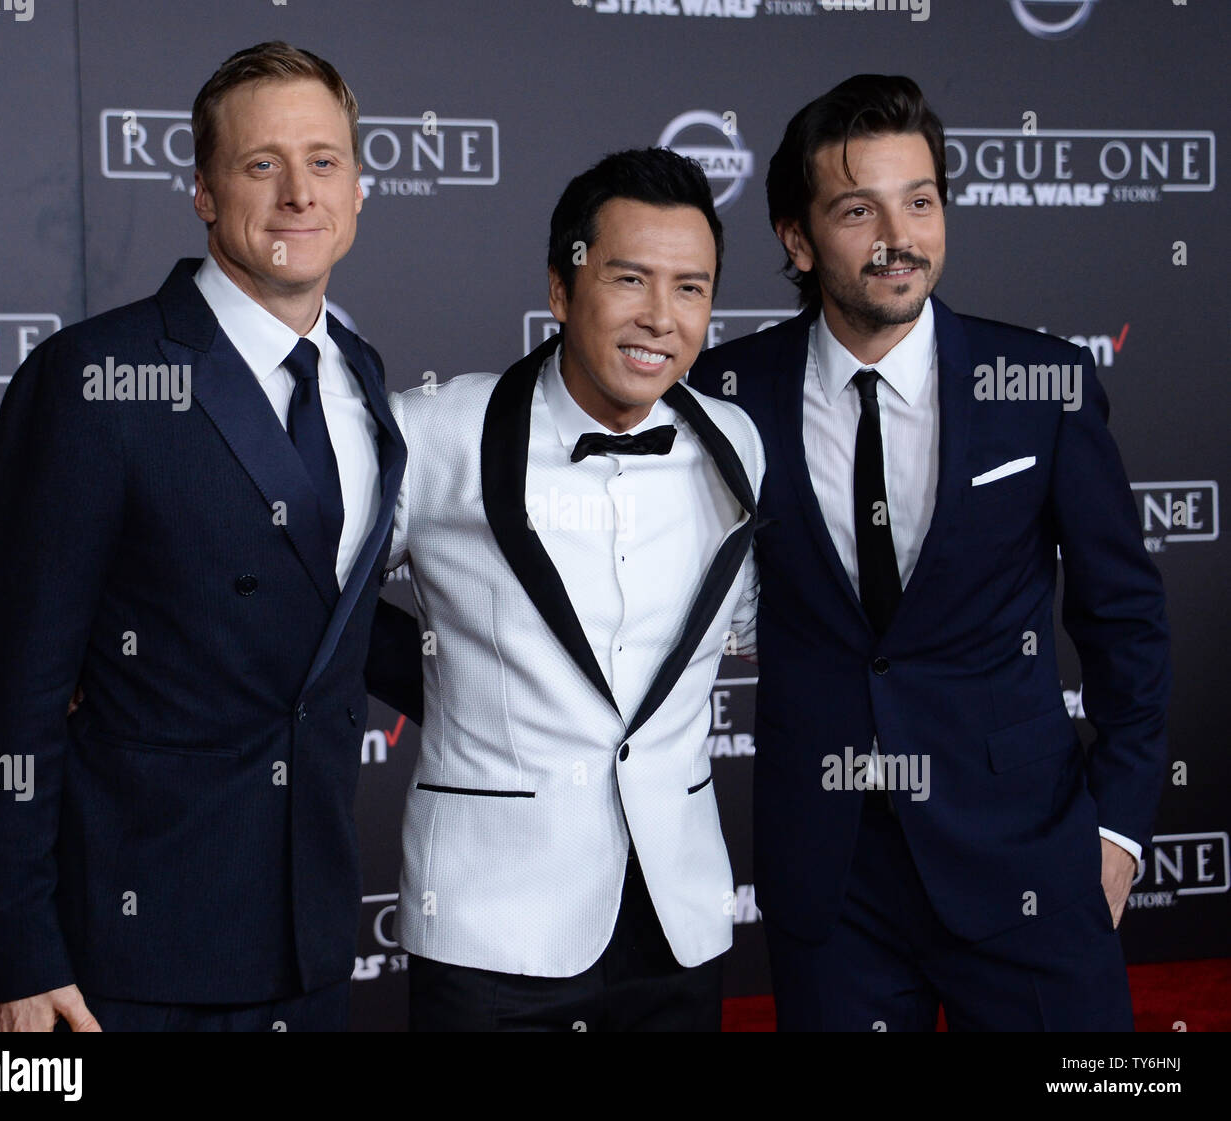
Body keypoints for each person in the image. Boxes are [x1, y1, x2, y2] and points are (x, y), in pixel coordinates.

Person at [691, 74, 1171, 1031]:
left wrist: (1116, 829)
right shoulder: (725, 392)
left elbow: (1126, 620)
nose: (897, 237)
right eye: (858, 209)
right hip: (831, 882)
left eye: (920, 201)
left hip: (1029, 858)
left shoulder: (1042, 384)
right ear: (796, 237)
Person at [0, 41, 416, 1032]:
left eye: (324, 161)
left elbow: (319, 609)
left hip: (313, 934)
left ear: (360, 187)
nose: (299, 192)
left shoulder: (360, 371)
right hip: (120, 956)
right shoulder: (94, 379)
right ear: (203, 192)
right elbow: (13, 691)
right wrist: (15, 954)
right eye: (262, 165)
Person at [384, 148, 763, 1031]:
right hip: (490, 927)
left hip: (676, 921)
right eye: (630, 278)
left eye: (691, 288)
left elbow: (742, 624)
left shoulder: (737, 445)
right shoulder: (437, 430)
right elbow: (311, 597)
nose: (661, 318)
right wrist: (449, 683)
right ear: (562, 289)